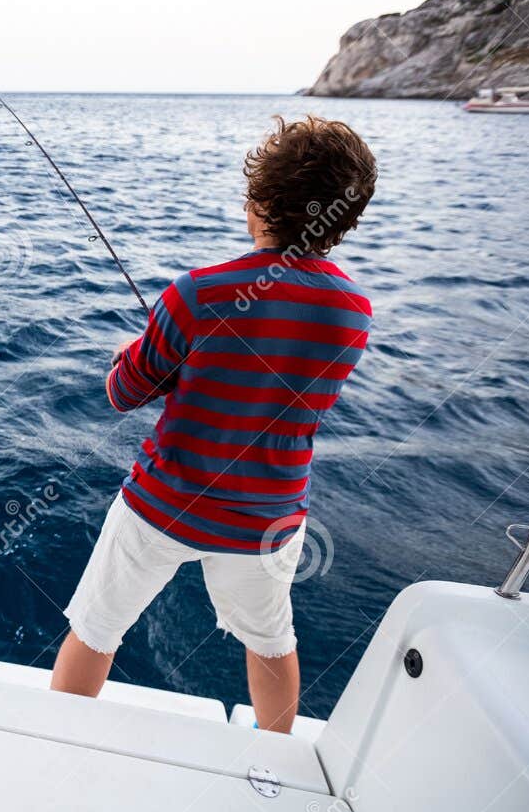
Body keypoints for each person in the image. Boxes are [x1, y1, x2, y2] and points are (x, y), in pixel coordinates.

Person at [49, 115, 376, 733]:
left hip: (164, 504)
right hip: (268, 519)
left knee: (95, 630)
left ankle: (56, 742)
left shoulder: (196, 294)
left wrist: (139, 354)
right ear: (343, 219)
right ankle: (276, 758)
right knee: (272, 642)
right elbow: (285, 390)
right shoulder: (354, 313)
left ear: (257, 204)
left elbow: (124, 392)